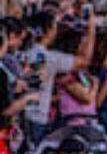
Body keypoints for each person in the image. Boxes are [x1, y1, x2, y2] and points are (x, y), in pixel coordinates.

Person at [23, 10, 94, 144]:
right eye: (55, 26)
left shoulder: (23, 52)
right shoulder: (49, 58)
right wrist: (91, 30)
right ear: (48, 30)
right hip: (38, 118)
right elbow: (84, 61)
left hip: (20, 116)